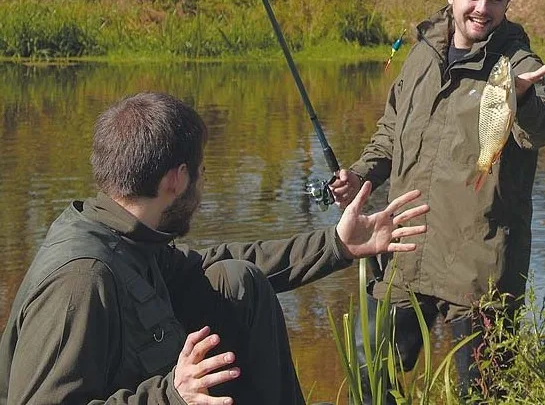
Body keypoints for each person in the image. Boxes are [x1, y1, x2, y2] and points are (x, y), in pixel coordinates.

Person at [0, 91, 430, 405]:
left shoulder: (129, 238)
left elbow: (222, 263)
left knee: (236, 280)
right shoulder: (81, 279)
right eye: (201, 173)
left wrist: (337, 244)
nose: (202, 186)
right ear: (176, 180)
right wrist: (171, 395)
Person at [329, 0, 545, 398]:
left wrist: (522, 100)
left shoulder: (520, 65)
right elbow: (390, 132)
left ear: (508, 2)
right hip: (404, 250)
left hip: (479, 266)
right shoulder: (421, 56)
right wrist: (360, 176)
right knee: (368, 375)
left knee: (483, 393)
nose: (483, 8)